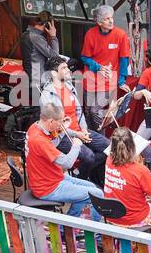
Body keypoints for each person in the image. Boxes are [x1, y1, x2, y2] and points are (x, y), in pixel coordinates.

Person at [39, 55, 109, 185]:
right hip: (62, 136)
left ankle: (82, 173)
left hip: (79, 130)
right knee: (89, 156)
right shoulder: (47, 96)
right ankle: (79, 181)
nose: (68, 70)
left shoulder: (69, 86)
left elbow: (79, 113)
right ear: (54, 73)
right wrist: (78, 134)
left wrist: (83, 129)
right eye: (64, 68)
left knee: (109, 147)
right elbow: (56, 126)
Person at [25, 103, 99, 220]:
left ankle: (71, 224)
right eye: (59, 122)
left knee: (93, 187)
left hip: (52, 177)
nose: (61, 125)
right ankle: (93, 234)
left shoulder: (34, 127)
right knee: (97, 195)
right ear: (50, 121)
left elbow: (56, 135)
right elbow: (67, 163)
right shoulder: (39, 140)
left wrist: (71, 131)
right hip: (47, 187)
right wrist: (76, 145)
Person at [103, 127, 151, 234]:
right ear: (132, 145)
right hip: (133, 218)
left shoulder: (109, 160)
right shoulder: (140, 170)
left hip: (111, 215)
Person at [79, 4, 131, 130]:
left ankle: (101, 142)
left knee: (94, 111)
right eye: (107, 19)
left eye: (111, 18)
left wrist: (121, 80)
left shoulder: (121, 35)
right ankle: (92, 141)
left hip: (109, 81)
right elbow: (85, 57)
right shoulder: (90, 34)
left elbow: (124, 59)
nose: (111, 21)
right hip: (90, 79)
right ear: (99, 22)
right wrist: (98, 67)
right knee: (87, 112)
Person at [19, 10, 61, 102]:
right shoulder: (36, 37)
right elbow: (55, 56)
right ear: (47, 25)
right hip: (38, 81)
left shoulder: (25, 34)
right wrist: (53, 36)